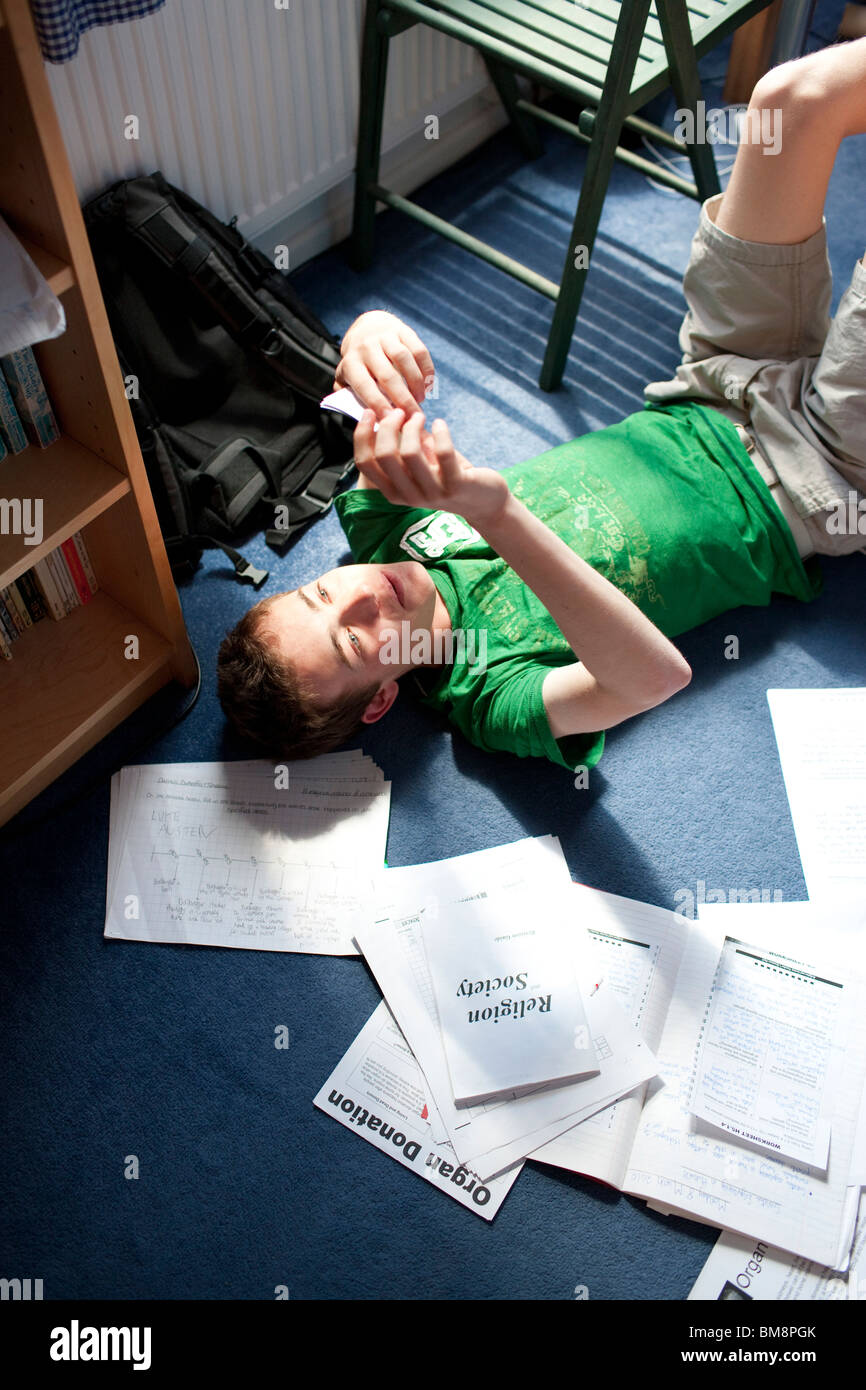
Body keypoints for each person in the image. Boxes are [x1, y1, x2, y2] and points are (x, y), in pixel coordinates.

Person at [218, 39, 866, 772]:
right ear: (378, 702)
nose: (363, 596)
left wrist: (367, 337)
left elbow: (372, 391)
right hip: (817, 474)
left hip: (715, 382)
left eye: (322, 594)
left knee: (790, 102)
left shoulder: (376, 528)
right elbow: (655, 679)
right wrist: (494, 512)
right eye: (353, 641)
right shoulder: (491, 696)